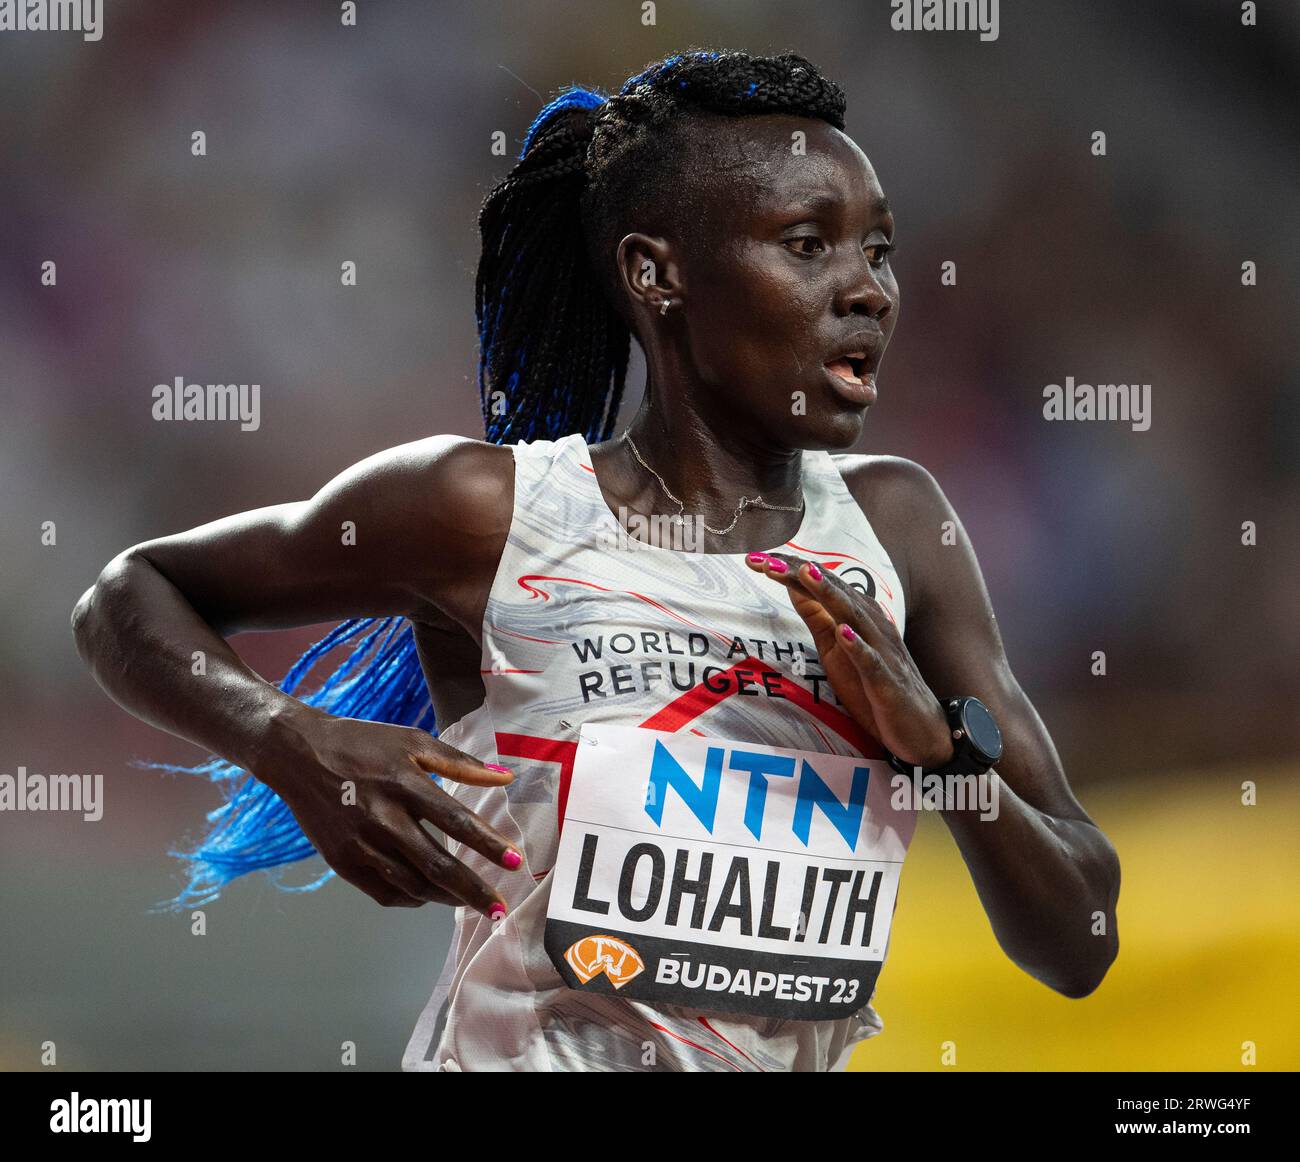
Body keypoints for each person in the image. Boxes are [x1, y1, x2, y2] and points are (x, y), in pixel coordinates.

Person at [71, 49, 1120, 1072]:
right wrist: (287, 740)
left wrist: (940, 756)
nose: (871, 292)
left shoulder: (898, 529)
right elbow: (128, 597)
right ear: (654, 273)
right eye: (808, 245)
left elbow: (1080, 938)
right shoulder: (489, 511)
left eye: (878, 249)